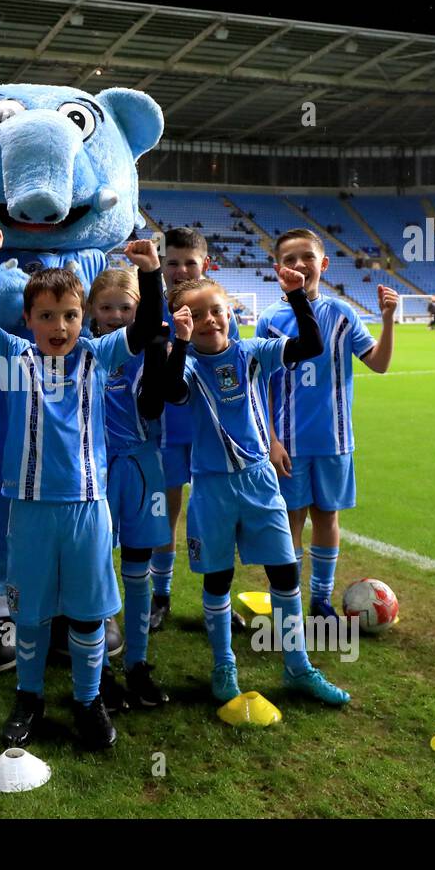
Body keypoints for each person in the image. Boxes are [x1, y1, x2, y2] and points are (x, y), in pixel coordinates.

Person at [0, 225, 164, 751]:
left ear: (84, 318)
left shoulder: (99, 355)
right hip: (28, 509)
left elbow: (147, 329)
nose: (59, 325)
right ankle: (29, 697)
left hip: (88, 507)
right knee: (30, 613)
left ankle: (88, 699)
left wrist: (152, 271)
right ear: (27, 321)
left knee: (90, 610)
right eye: (46, 315)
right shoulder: (14, 355)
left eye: (70, 315)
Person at [165, 270, 350, 708]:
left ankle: (298, 666)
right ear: (182, 322)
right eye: (197, 315)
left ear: (230, 312)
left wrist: (296, 295)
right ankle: (223, 664)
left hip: (260, 482)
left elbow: (311, 345)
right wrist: (180, 342)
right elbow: (170, 393)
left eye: (217, 310)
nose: (210, 320)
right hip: (211, 487)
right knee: (218, 577)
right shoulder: (188, 365)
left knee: (284, 574)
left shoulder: (253, 353)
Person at [257, 228, 397, 624]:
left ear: (323, 264)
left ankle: (320, 601)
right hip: (288, 443)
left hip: (335, 440)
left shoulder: (343, 314)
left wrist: (388, 320)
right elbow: (261, 384)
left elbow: (380, 363)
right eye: (290, 259)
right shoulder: (270, 319)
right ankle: (289, 604)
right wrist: (270, 438)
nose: (299, 264)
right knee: (290, 520)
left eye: (307, 256)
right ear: (279, 268)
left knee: (327, 517)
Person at [88, 267, 171, 710]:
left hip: (143, 467)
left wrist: (159, 350)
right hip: (96, 472)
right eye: (107, 307)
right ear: (92, 311)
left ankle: (137, 664)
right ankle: (97, 669)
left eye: (126, 307)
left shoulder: (153, 349)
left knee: (138, 566)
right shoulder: (84, 352)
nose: (117, 315)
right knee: (97, 568)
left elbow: (155, 403)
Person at [151, 227, 241, 632]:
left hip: (213, 434)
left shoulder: (221, 312)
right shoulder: (151, 310)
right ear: (162, 265)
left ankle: (217, 603)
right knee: (166, 514)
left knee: (217, 518)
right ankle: (160, 595)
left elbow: (237, 373)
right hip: (166, 430)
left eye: (191, 262)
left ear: (205, 264)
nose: (182, 270)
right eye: (173, 263)